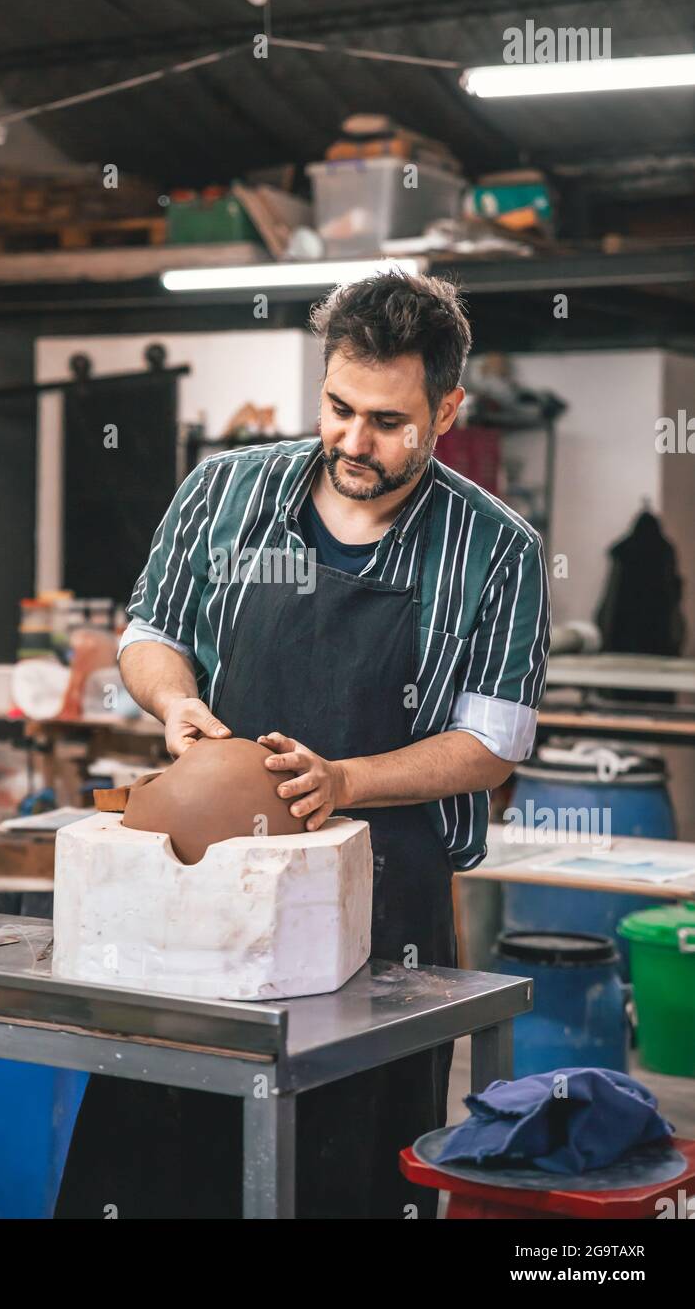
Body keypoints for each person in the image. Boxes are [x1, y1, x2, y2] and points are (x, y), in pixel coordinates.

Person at [55, 269, 551, 1220]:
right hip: (200, 904)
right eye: (337, 406)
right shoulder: (226, 491)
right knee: (162, 1152)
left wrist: (347, 780)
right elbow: (147, 633)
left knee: (345, 1170)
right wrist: (177, 708)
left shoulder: (496, 550)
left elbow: (492, 744)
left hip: (384, 923)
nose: (354, 442)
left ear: (447, 408)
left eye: (389, 421)